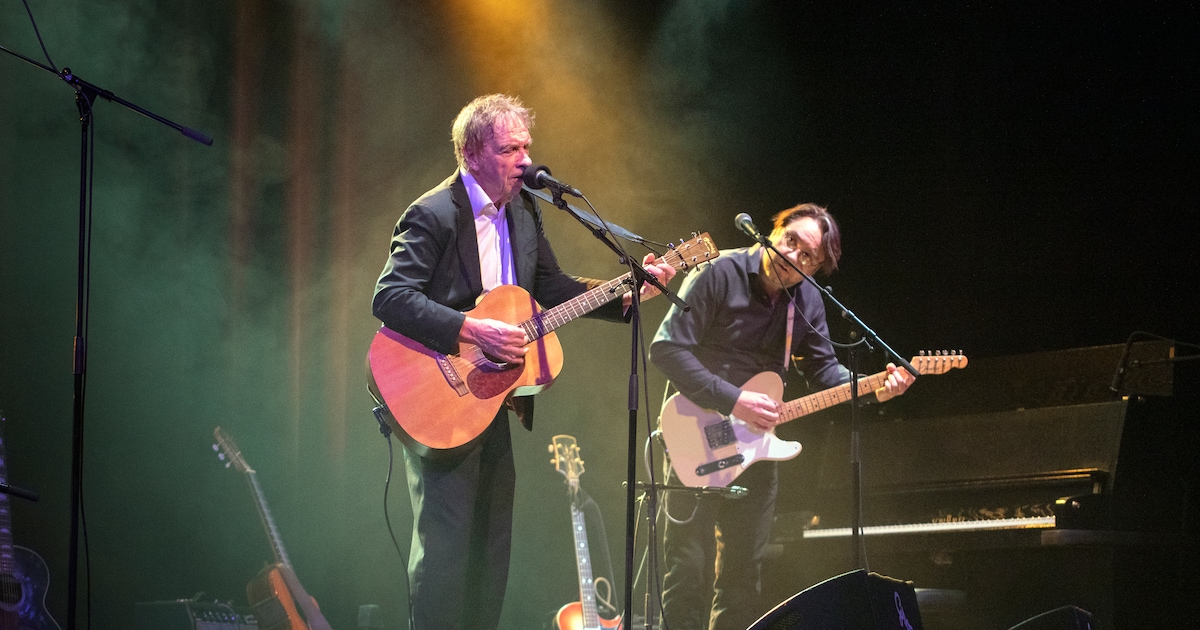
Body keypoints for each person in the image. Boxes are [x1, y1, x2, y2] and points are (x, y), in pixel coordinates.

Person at [371, 94, 676, 630]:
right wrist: (470, 327)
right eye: (510, 149)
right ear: (472, 154)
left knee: (491, 552)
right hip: (437, 399)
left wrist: (628, 293)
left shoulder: (525, 208)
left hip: (492, 401)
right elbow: (390, 296)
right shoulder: (433, 213)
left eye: (526, 147)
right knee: (445, 555)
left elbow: (552, 288)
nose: (524, 161)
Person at [648, 203, 914, 630]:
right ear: (774, 232)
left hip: (756, 449)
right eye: (791, 242)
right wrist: (735, 400)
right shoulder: (718, 271)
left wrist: (873, 387)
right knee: (686, 570)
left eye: (809, 257)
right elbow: (666, 348)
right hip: (696, 432)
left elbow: (824, 370)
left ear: (819, 267)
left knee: (742, 578)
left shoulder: (806, 297)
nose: (795, 257)